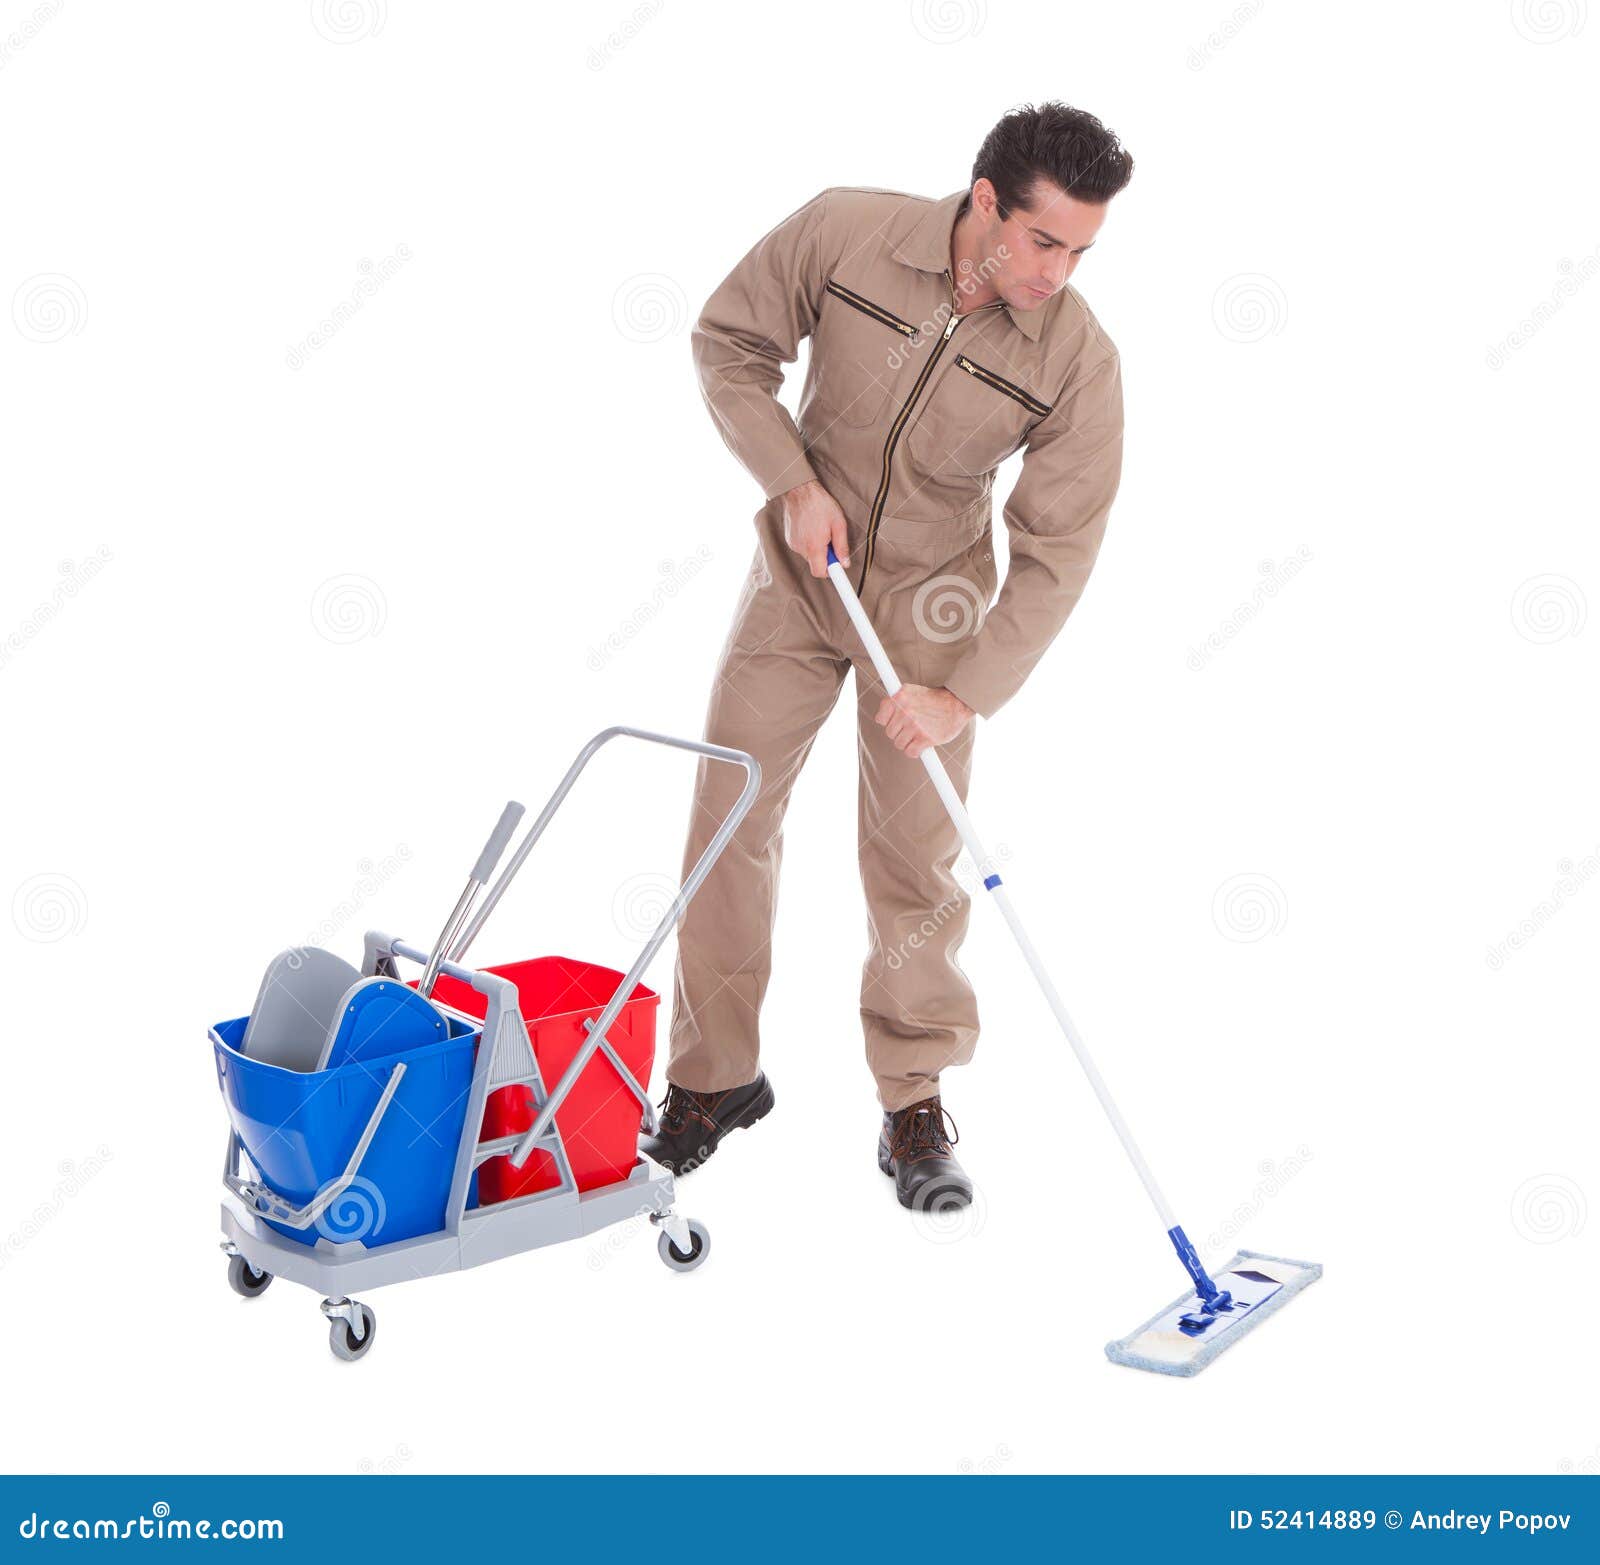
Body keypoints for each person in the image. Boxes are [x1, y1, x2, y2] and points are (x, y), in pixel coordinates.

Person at [643, 102, 1132, 1213]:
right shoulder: (845, 232)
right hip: (800, 577)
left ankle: (911, 1098)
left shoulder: (1076, 357)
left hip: (935, 608)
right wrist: (790, 478)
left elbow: (1059, 549)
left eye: (1081, 250)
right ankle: (713, 1079)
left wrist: (962, 693)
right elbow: (729, 342)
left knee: (915, 865)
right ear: (984, 204)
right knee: (729, 815)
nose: (1058, 271)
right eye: (1043, 240)